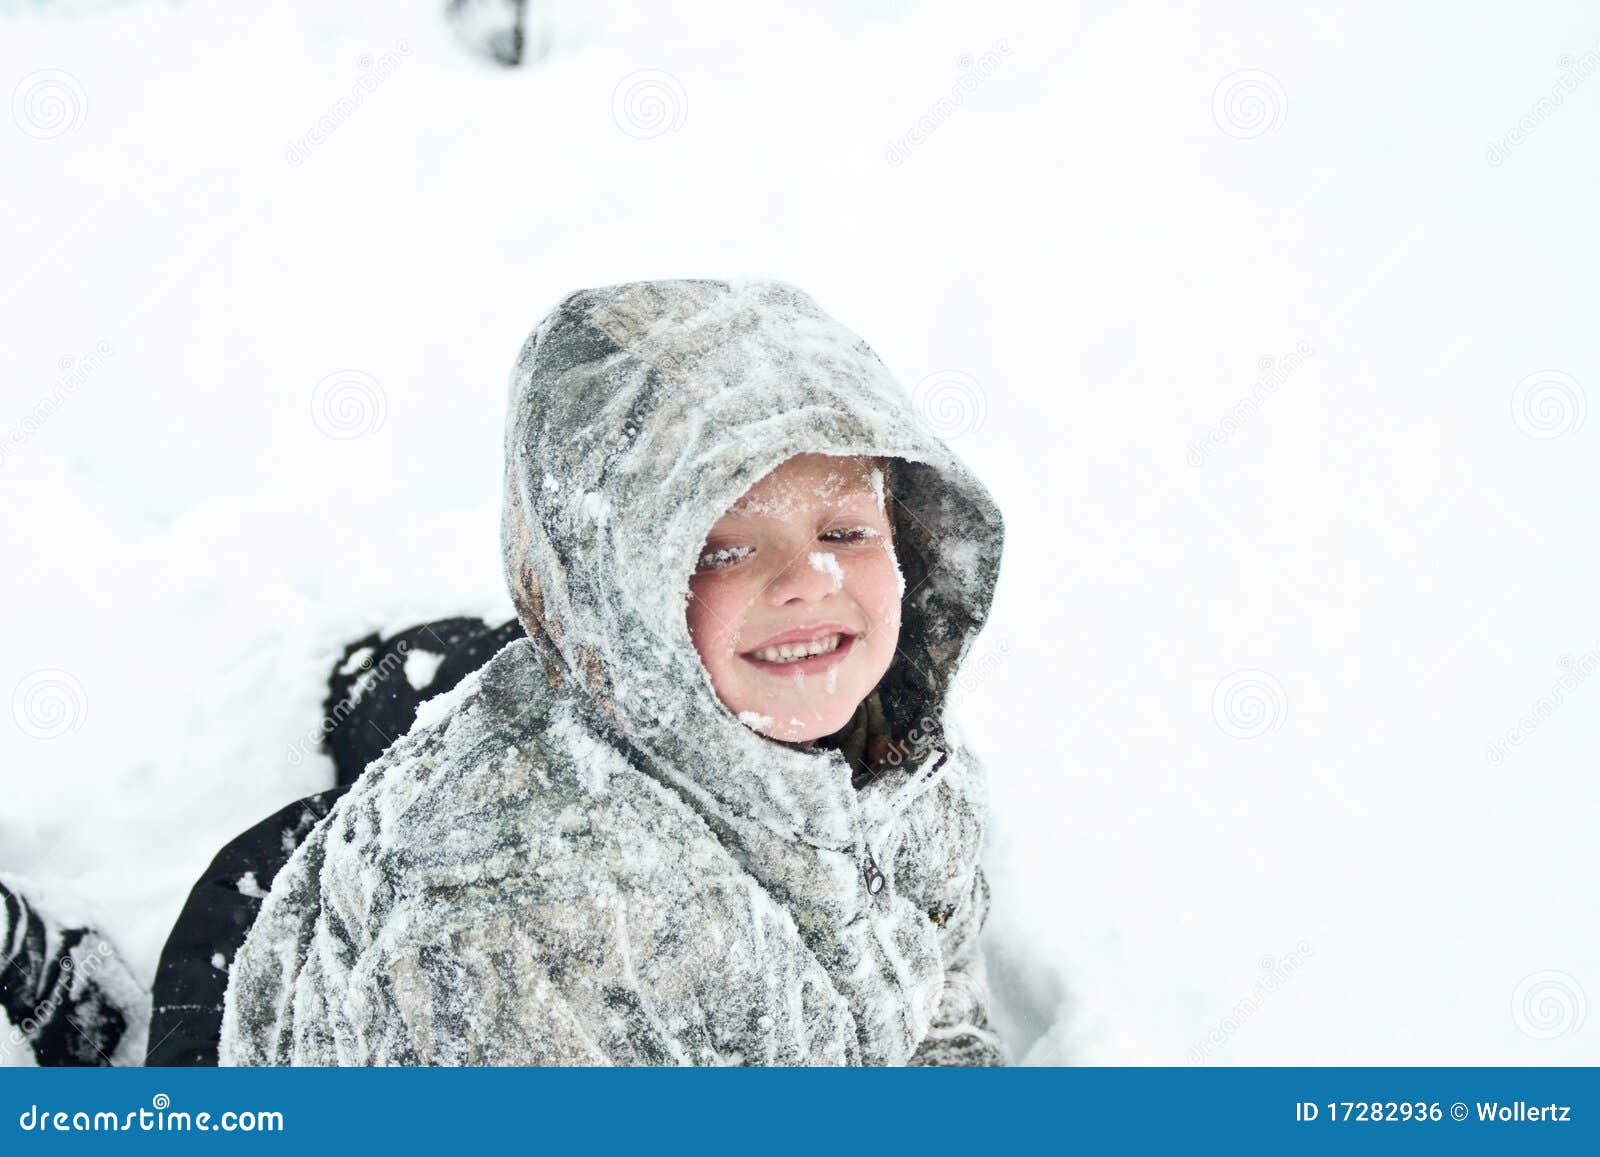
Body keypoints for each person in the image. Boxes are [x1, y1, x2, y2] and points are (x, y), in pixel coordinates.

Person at [219, 278, 1007, 1065]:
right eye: (721, 549)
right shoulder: (519, 921)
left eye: (844, 530)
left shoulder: (905, 756)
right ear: (611, 594)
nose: (808, 579)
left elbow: (942, 979)